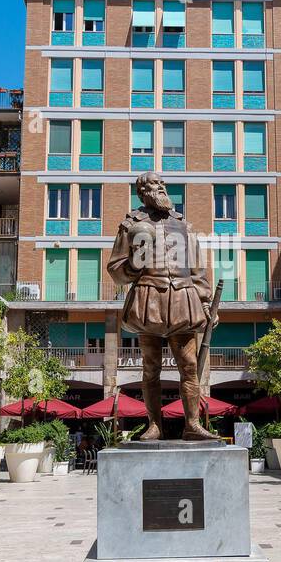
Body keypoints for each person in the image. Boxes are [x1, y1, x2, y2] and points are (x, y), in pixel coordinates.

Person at [107, 172, 219, 442]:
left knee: (189, 366)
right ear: (142, 193)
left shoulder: (185, 227)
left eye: (161, 185)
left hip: (183, 300)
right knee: (150, 367)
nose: (159, 189)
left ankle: (192, 424)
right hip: (149, 300)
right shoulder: (131, 225)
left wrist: (206, 303)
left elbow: (197, 270)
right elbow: (116, 270)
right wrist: (135, 261)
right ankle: (154, 425)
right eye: (152, 186)